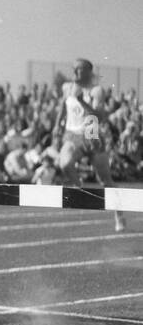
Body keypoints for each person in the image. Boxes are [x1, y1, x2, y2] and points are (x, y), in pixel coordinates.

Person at [55, 58, 126, 231]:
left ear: (88, 71)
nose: (74, 72)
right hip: (72, 135)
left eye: (79, 69)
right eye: (73, 68)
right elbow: (62, 108)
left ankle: (119, 213)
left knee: (106, 180)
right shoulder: (67, 87)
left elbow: (99, 116)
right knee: (65, 163)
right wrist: (57, 126)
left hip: (91, 133)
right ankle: (79, 187)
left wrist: (82, 101)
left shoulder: (96, 90)